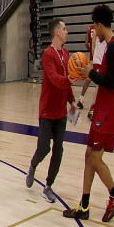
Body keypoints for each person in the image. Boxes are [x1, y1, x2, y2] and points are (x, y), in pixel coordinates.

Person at [66, 5, 114, 222]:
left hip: (108, 111)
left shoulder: (113, 48)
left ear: (100, 25)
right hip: (101, 108)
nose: (93, 32)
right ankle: (84, 205)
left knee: (95, 158)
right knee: (88, 155)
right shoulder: (110, 45)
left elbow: (110, 83)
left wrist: (90, 72)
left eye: (95, 27)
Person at [25, 18, 75, 204]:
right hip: (47, 111)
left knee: (59, 150)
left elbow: (65, 81)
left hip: (61, 112)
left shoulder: (66, 53)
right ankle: (32, 165)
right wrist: (69, 79)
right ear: (56, 32)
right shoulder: (48, 54)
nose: (67, 32)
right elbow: (55, 78)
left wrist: (71, 101)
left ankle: (48, 186)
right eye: (64, 28)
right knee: (44, 148)